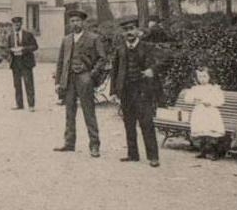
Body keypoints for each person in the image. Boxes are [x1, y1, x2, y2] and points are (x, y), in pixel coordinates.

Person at [54, 10, 106, 157]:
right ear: (69, 23)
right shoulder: (66, 40)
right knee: (69, 112)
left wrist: (91, 74)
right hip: (68, 80)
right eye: (72, 21)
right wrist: (58, 82)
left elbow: (102, 59)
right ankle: (69, 143)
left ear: (83, 22)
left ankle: (94, 145)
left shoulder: (93, 38)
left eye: (77, 20)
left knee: (89, 112)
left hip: (85, 78)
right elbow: (60, 62)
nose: (75, 23)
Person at [109, 27, 161, 167]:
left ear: (138, 31)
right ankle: (132, 154)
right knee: (129, 123)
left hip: (142, 90)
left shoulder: (147, 47)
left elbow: (161, 62)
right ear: (123, 33)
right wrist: (113, 91)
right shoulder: (120, 49)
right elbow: (114, 71)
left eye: (132, 29)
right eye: (126, 30)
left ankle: (153, 157)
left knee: (146, 123)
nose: (129, 33)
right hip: (125, 91)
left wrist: (152, 70)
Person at [184, 66, 226, 161]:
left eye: (204, 76)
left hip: (211, 112)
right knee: (201, 131)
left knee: (211, 132)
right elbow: (187, 99)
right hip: (199, 112)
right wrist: (193, 99)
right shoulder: (195, 88)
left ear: (210, 77)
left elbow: (221, 101)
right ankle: (203, 151)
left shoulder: (214, 88)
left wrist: (211, 103)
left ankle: (213, 151)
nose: (202, 79)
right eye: (200, 77)